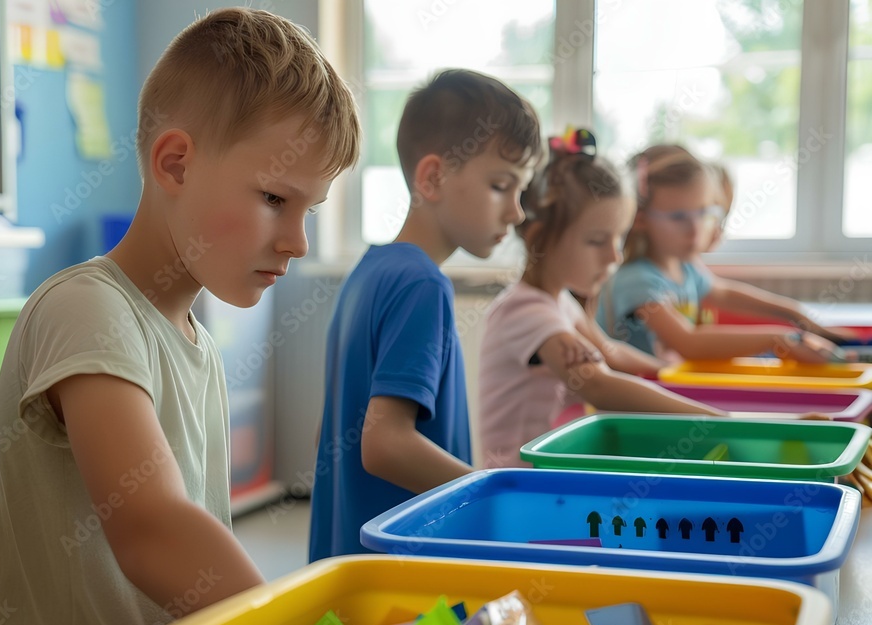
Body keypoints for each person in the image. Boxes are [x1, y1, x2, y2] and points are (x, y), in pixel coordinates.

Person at [0, 9, 360, 625]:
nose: (298, 241)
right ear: (176, 163)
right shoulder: (85, 308)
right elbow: (151, 527)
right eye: (275, 198)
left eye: (310, 210)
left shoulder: (196, 345)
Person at [308, 69, 542, 560]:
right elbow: (385, 444)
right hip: (402, 581)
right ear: (433, 177)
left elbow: (331, 432)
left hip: (348, 567)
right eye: (501, 186)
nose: (517, 213)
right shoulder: (422, 283)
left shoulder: (369, 272)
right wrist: (494, 492)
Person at [478, 130, 724, 468]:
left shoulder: (561, 301)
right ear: (540, 239)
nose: (614, 256)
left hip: (548, 478)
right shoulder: (526, 310)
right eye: (596, 240)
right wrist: (721, 421)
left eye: (618, 238)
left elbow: (609, 351)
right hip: (520, 484)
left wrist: (670, 374)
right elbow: (598, 384)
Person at [596, 144, 847, 363]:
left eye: (704, 213)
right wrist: (780, 338)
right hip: (630, 407)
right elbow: (688, 342)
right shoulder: (636, 280)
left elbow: (724, 293)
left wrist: (795, 314)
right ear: (639, 218)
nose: (696, 230)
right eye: (678, 217)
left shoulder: (685, 267)